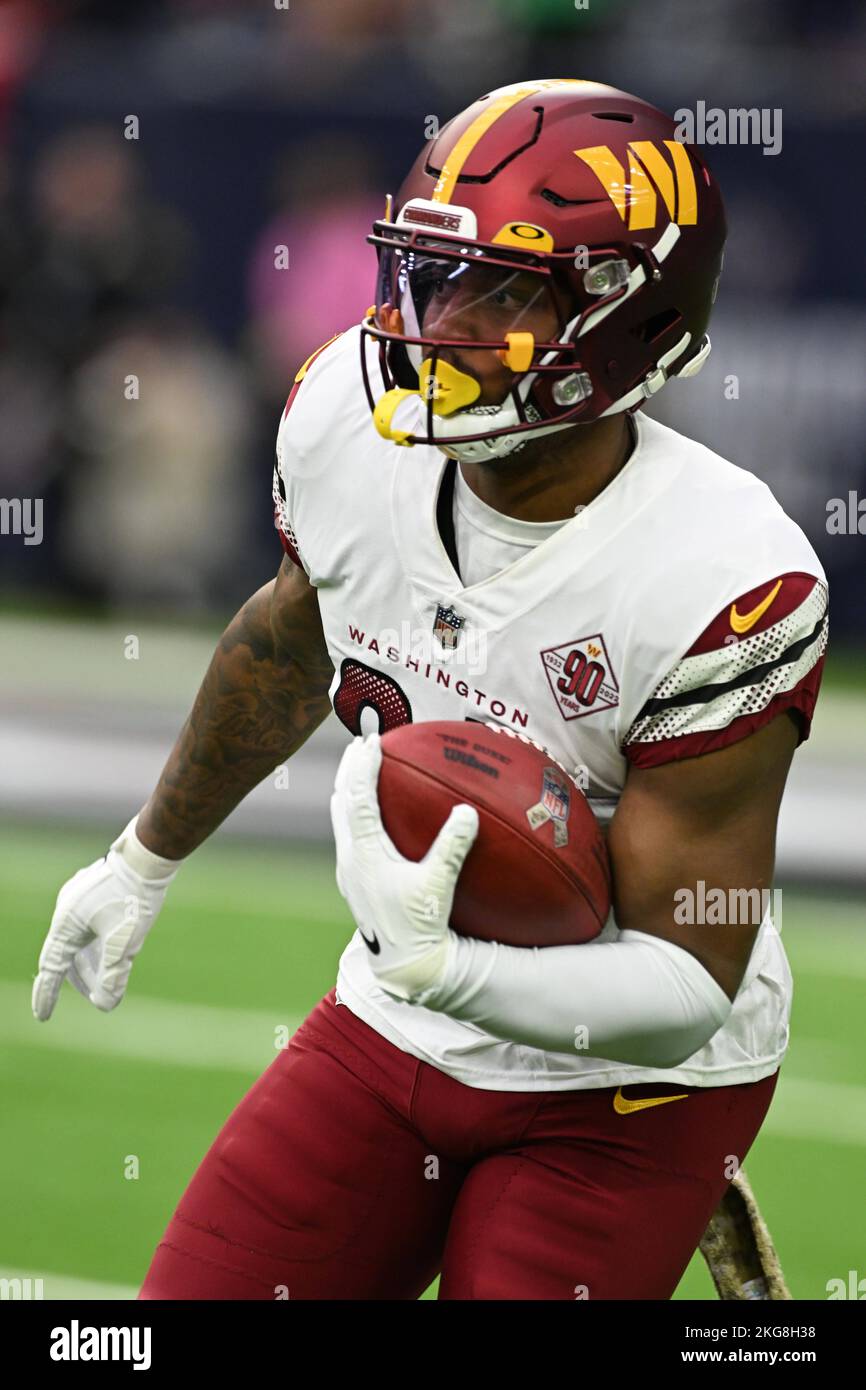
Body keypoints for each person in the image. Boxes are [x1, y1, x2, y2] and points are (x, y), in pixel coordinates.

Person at [33, 79, 828, 1300]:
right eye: (428, 273)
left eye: (502, 292)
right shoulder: (344, 416)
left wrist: (449, 969)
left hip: (628, 1088)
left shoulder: (726, 576)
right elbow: (294, 637)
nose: (436, 322)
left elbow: (682, 984)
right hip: (394, 1022)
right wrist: (146, 855)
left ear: (625, 316)